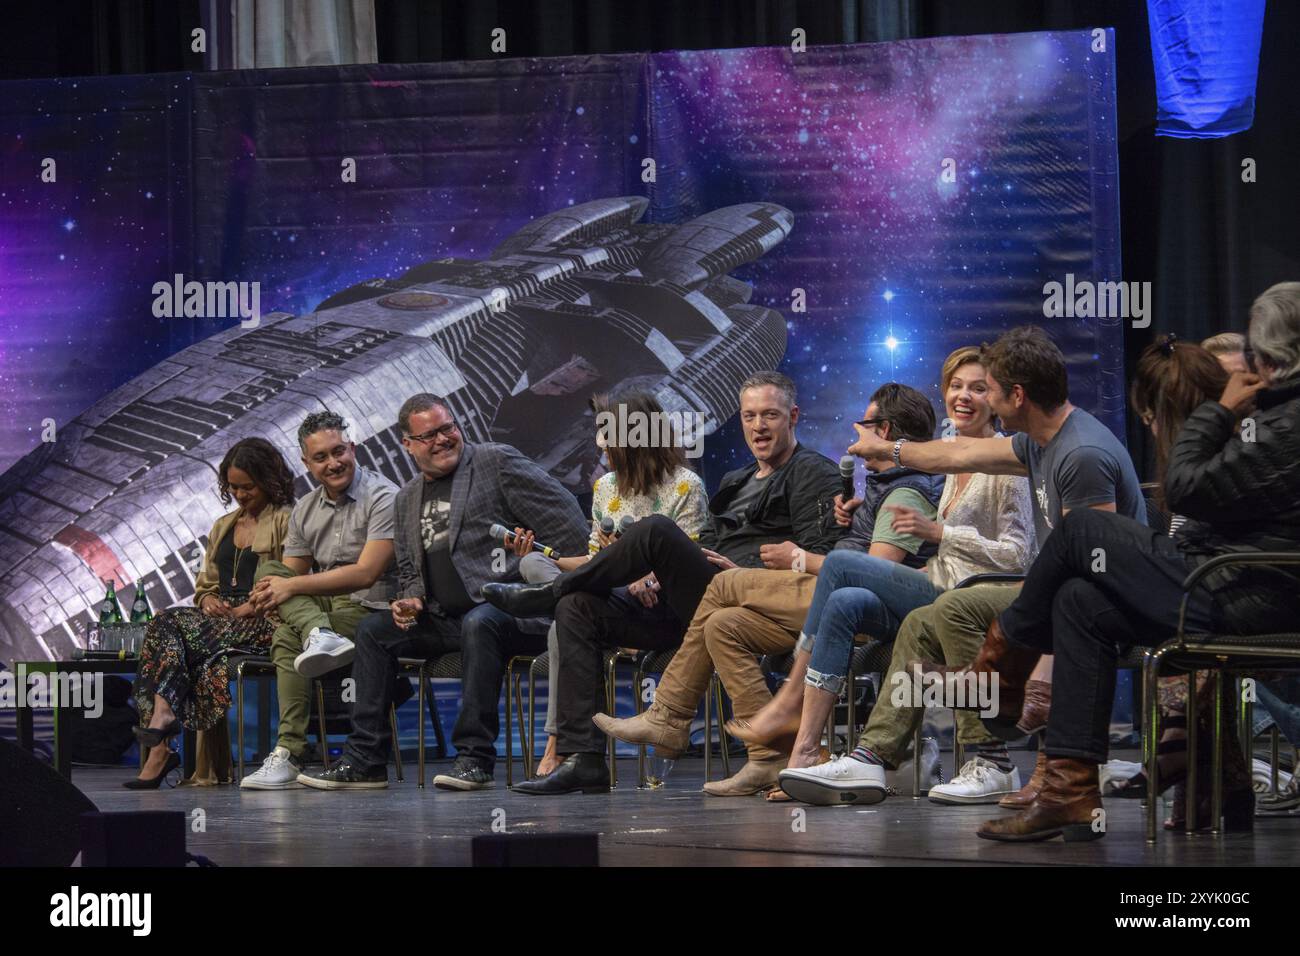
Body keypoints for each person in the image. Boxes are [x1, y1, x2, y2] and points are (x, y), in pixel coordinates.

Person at [927, 282, 1300, 841]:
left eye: (1254, 355)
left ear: (1272, 358)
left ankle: (1002, 662)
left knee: (1083, 528)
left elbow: (1186, 486)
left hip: (1248, 596)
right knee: (1081, 601)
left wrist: (1220, 412)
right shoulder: (1275, 418)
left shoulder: (1285, 424)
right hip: (1221, 581)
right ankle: (1068, 792)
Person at [779, 325, 1145, 808]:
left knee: (954, 606)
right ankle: (873, 755)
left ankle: (990, 759)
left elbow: (1093, 569)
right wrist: (886, 450)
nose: (977, 397)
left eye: (986, 387)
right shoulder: (1038, 442)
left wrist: (1047, 663)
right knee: (918, 621)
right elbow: (958, 453)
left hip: (1104, 598)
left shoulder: (1082, 454)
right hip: (1046, 587)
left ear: (1014, 396)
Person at [481, 371, 846, 794]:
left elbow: (823, 561)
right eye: (749, 416)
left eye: (770, 415)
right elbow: (703, 549)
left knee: (654, 530)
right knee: (575, 607)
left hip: (748, 597)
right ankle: (585, 758)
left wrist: (751, 571)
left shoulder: (811, 472)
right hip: (702, 599)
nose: (758, 426)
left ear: (793, 417)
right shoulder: (735, 482)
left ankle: (552, 591)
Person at [601, 381, 948, 796]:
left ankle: (670, 714)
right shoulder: (876, 487)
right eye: (749, 416)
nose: (858, 432)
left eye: (865, 424)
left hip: (848, 606)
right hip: (822, 601)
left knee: (724, 582)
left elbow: (873, 572)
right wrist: (854, 522)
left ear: (886, 431)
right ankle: (768, 757)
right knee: (724, 625)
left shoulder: (899, 489)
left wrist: (796, 559)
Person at [730, 348, 1036, 802]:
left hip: (974, 591)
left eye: (977, 387)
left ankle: (790, 701)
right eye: (955, 386)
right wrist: (860, 518)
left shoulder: (1007, 461)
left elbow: (1018, 555)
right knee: (843, 602)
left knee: (839, 564)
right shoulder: (949, 452)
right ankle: (808, 753)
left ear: (996, 396)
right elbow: (916, 493)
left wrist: (942, 531)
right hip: (939, 585)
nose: (964, 396)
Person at [296, 393, 589, 791]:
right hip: (447, 618)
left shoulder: (495, 462)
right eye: (428, 434)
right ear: (409, 444)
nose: (442, 439)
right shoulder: (406, 498)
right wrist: (410, 599)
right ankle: (365, 760)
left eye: (447, 428)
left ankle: (473, 758)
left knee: (480, 620)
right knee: (374, 632)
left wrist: (545, 565)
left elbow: (567, 519)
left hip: (515, 611)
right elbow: (409, 572)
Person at [523, 389, 709, 777]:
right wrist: (553, 557)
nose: (600, 444)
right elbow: (595, 560)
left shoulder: (686, 485)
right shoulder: (605, 487)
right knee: (557, 589)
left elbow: (686, 565)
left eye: (608, 433)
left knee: (565, 608)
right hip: (613, 598)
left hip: (665, 613)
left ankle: (546, 597)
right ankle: (582, 759)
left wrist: (642, 576)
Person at [238, 411, 398, 789]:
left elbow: (366, 573)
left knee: (285, 636)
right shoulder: (306, 508)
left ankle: (289, 753)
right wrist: (271, 591)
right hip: (328, 612)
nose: (333, 463)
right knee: (270, 571)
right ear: (306, 463)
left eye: (339, 451)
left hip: (377, 612)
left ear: (353, 449)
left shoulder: (383, 496)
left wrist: (289, 589)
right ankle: (317, 632)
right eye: (321, 457)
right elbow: (287, 575)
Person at [127, 438, 295, 789]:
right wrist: (207, 602)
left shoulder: (287, 519)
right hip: (221, 626)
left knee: (167, 623)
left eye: (248, 487)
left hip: (266, 623)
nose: (240, 494)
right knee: (188, 650)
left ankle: (161, 736)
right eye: (233, 487)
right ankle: (163, 731)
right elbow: (206, 585)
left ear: (268, 480)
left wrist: (244, 608)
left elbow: (291, 580)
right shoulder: (223, 525)